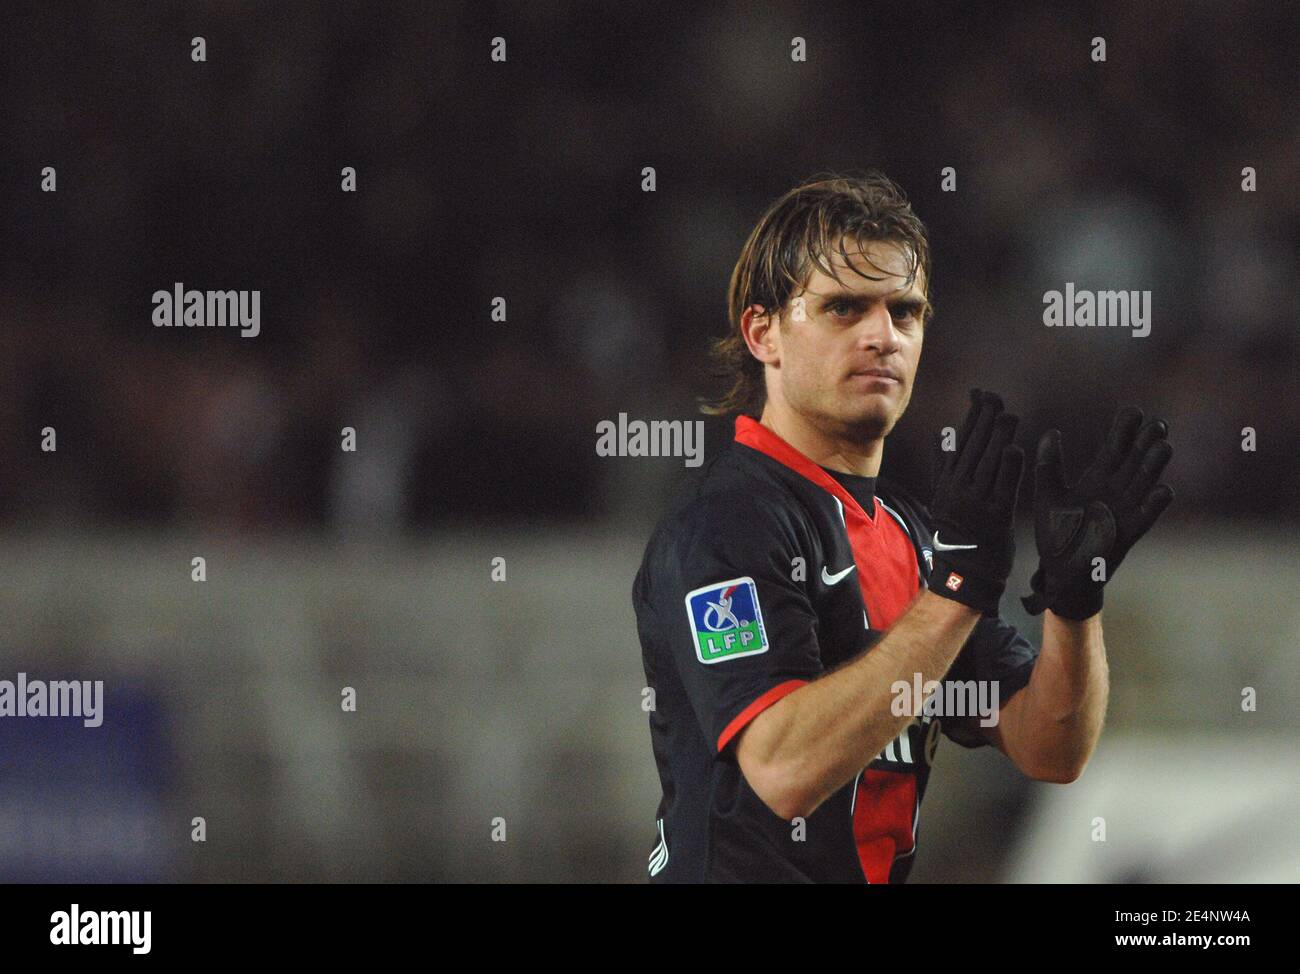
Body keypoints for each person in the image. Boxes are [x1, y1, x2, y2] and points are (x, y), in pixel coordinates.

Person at [633, 171, 1174, 883]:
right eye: (843, 308)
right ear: (764, 333)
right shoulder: (728, 523)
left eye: (905, 312)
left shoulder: (918, 538)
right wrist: (956, 592)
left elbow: (1050, 747)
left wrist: (1075, 605)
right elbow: (783, 768)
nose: (882, 336)